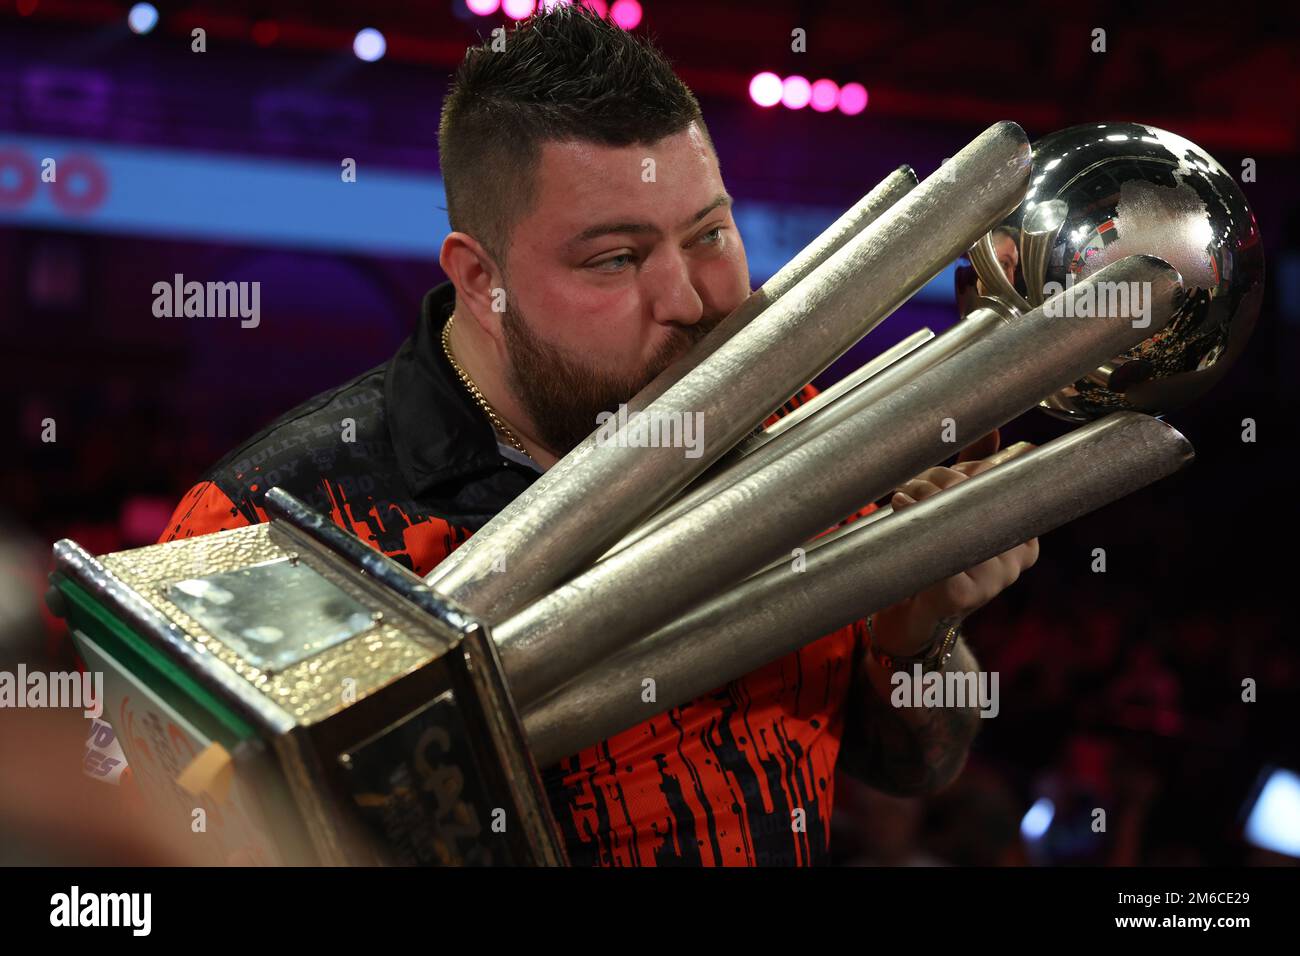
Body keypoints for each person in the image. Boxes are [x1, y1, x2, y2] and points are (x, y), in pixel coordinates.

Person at [156, 6, 1037, 865]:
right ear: (479, 278)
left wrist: (917, 634)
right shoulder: (259, 528)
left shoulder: (789, 424)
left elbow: (918, 762)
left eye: (711, 234)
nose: (690, 300)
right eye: (616, 258)